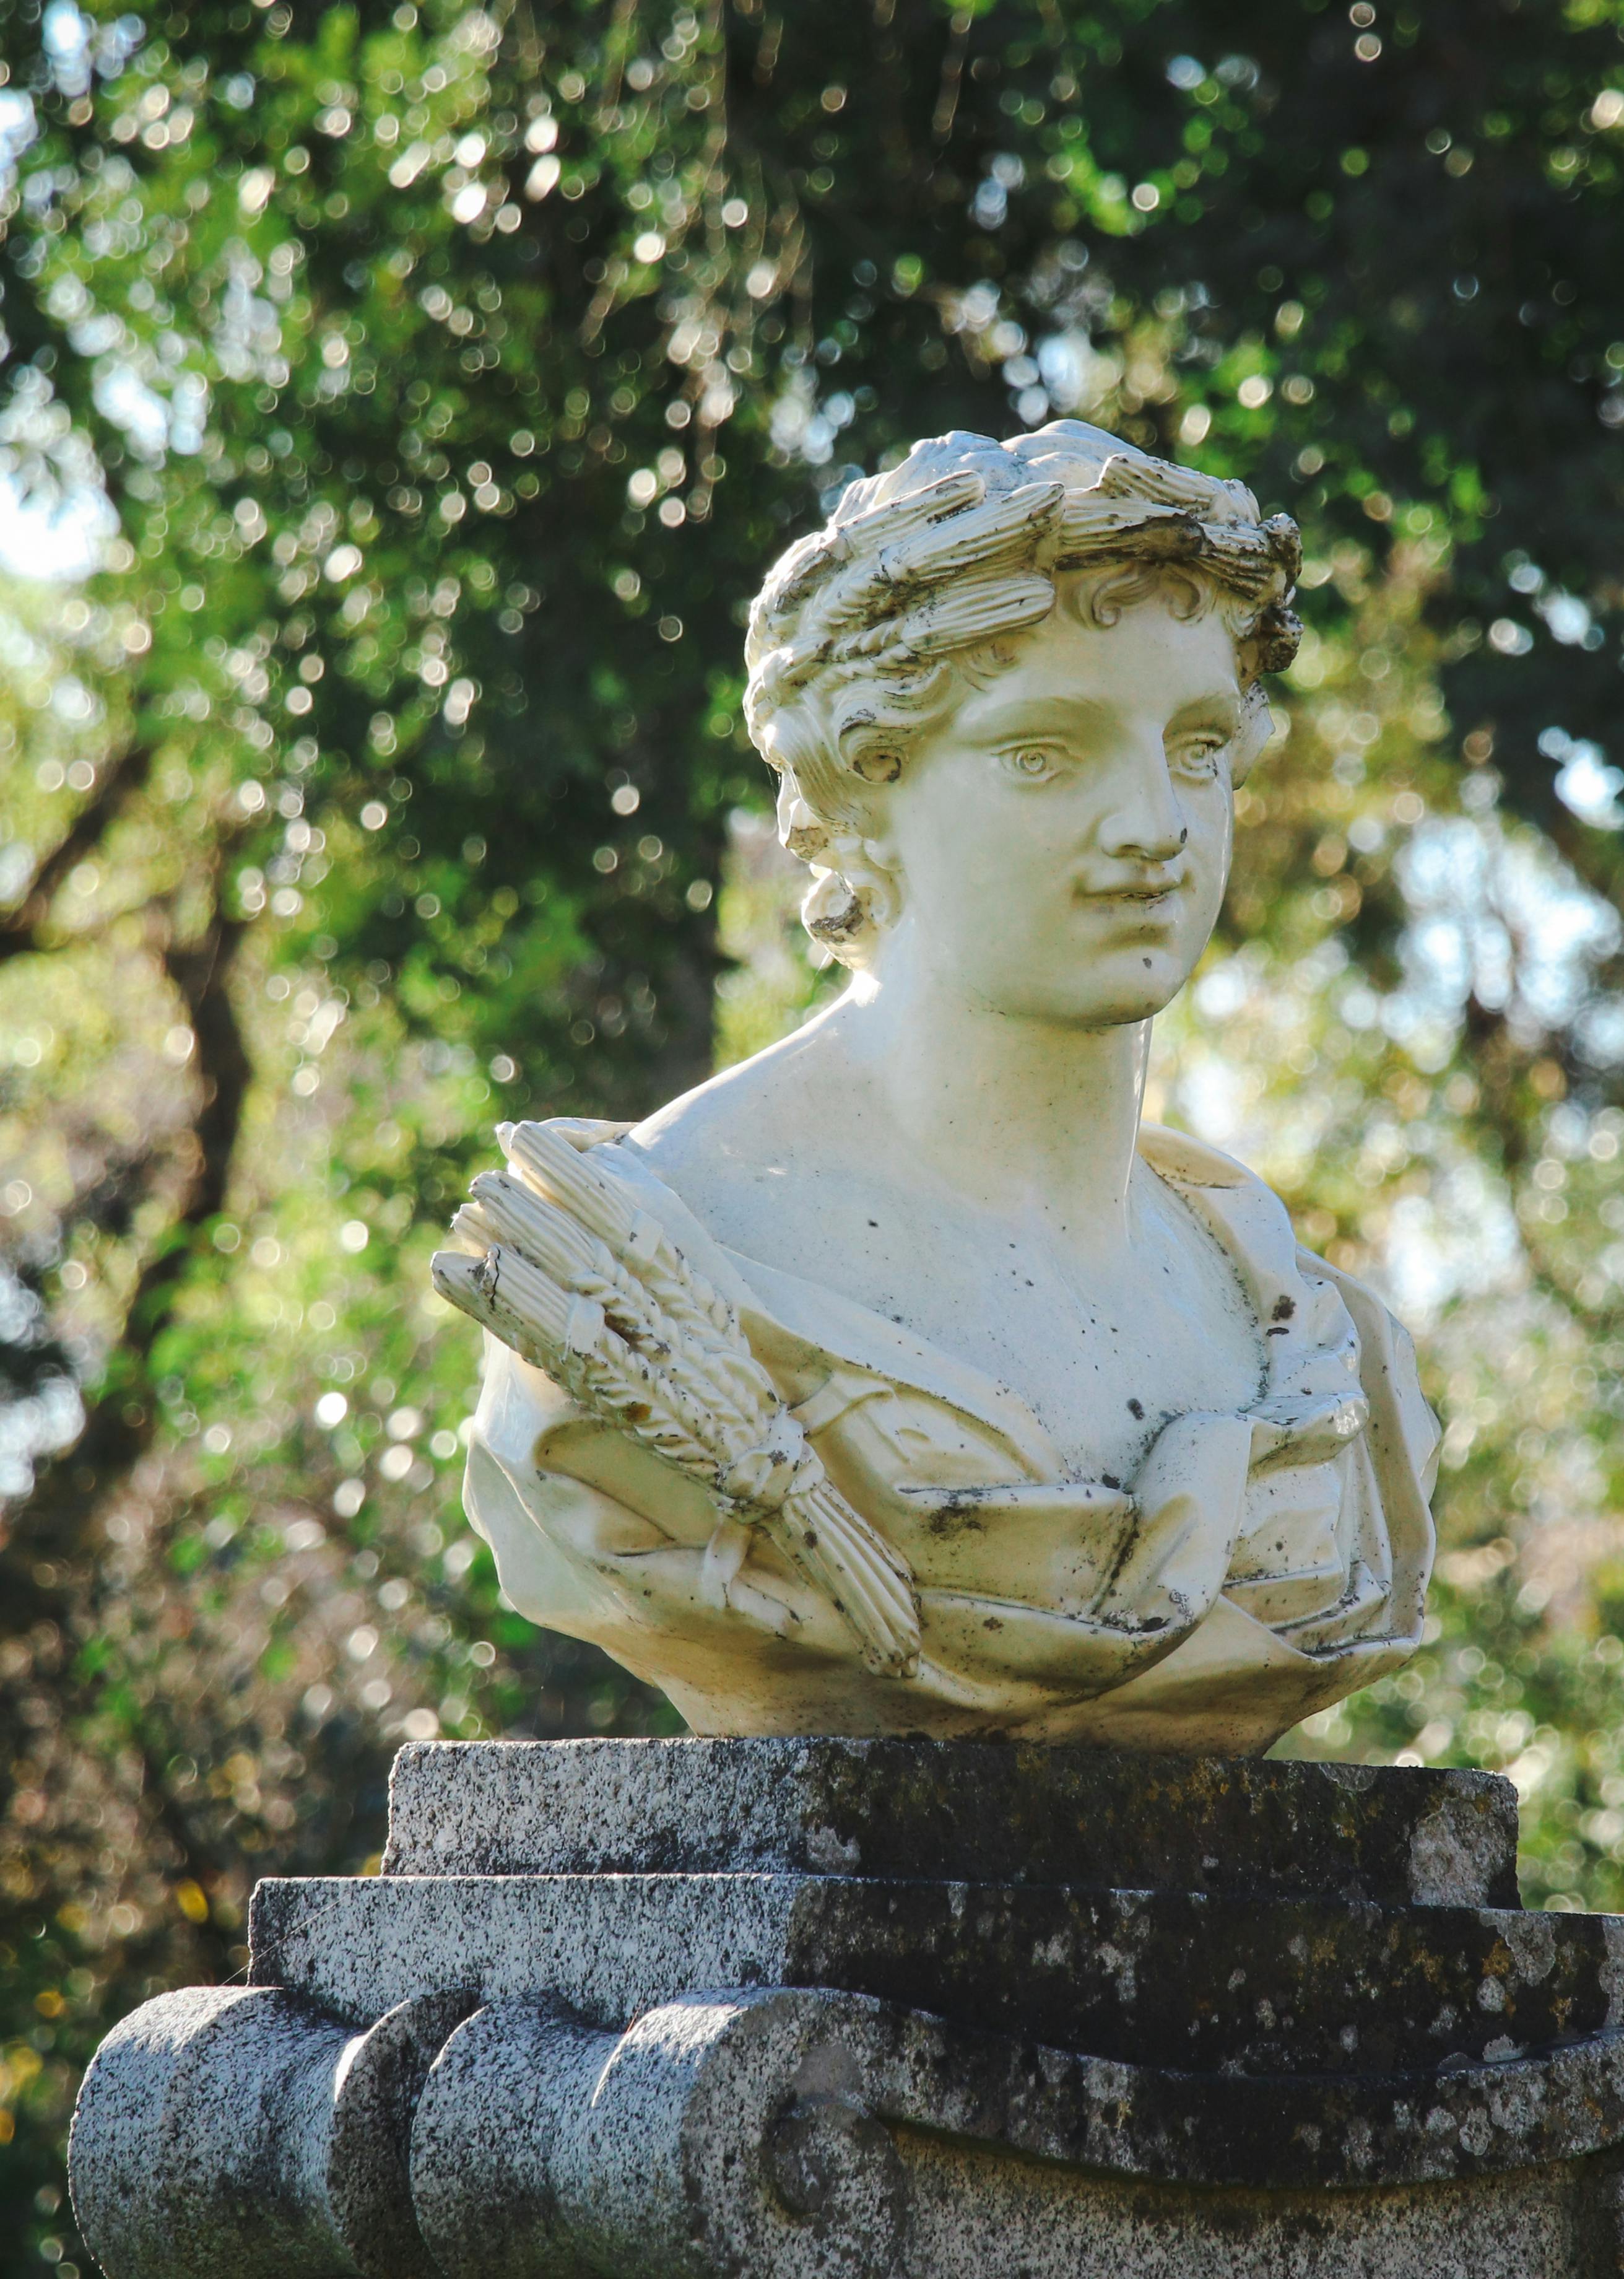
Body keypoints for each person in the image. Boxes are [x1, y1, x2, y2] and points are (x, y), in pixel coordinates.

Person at [449, 421, 1437, 1753]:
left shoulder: (1306, 1337)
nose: (1155, 825)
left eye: (1199, 747)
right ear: (863, 788)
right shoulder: (650, 1274)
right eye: (1045, 754)